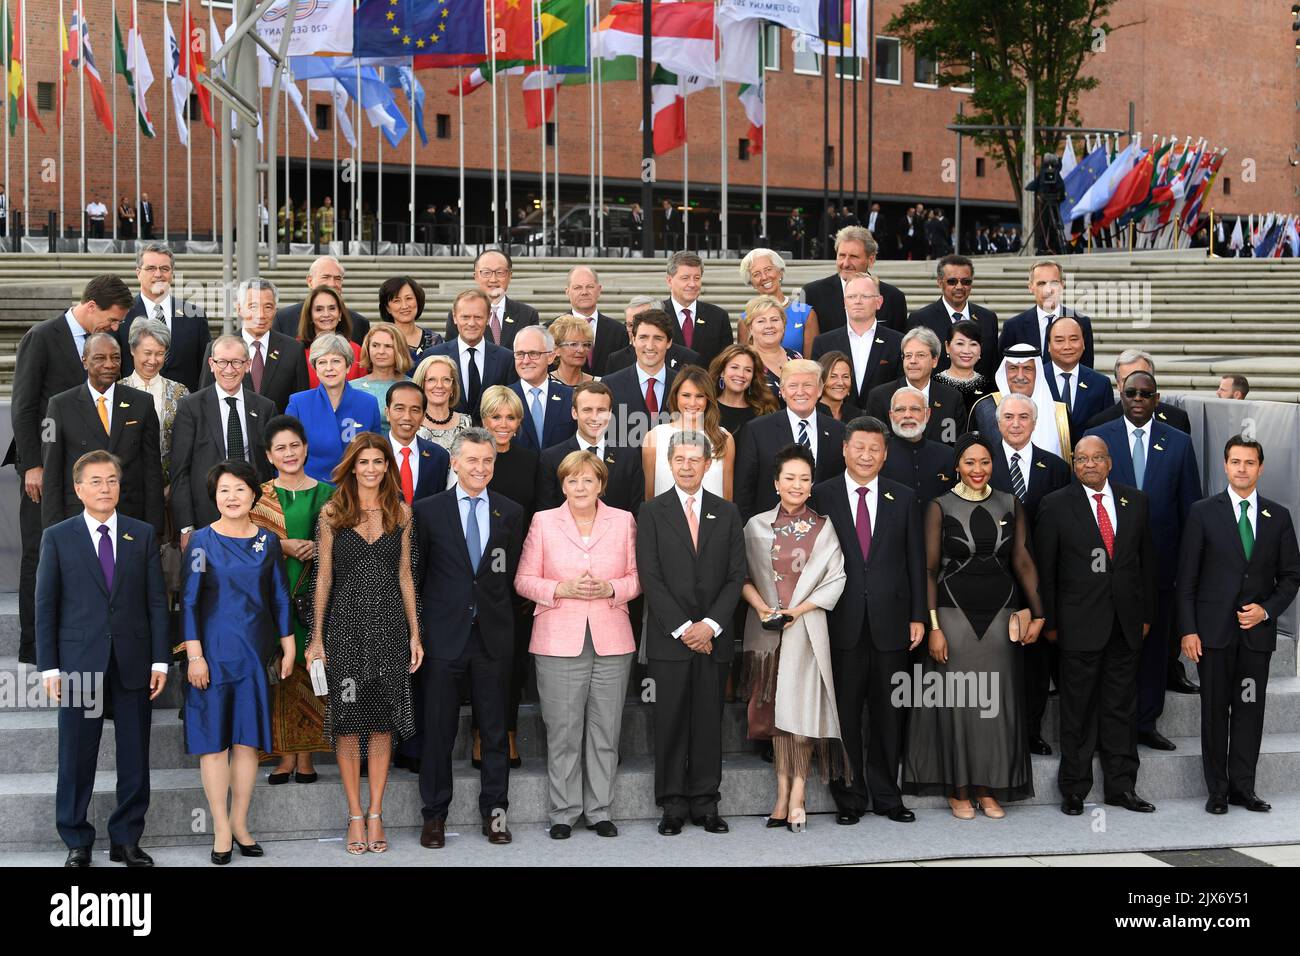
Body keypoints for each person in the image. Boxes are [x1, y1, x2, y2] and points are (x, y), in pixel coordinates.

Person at [36, 450, 170, 868]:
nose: (105, 488)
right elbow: (46, 605)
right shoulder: (58, 536)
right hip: (78, 662)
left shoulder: (142, 534)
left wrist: (161, 661)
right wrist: (50, 667)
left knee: (134, 755)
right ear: (78, 489)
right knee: (76, 755)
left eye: (111, 479)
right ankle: (77, 840)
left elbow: (156, 602)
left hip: (133, 660)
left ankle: (126, 839)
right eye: (95, 481)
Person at [903, 432, 1045, 818]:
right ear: (957, 467)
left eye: (984, 462)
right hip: (952, 616)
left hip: (1001, 617)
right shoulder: (939, 506)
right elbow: (930, 570)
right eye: (969, 462)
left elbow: (1024, 561)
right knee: (959, 704)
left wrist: (1039, 611)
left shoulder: (1010, 503)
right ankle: (959, 788)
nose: (978, 469)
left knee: (994, 706)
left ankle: (987, 787)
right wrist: (933, 625)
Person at [305, 435, 422, 855]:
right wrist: (316, 637)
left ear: (387, 466)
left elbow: (406, 576)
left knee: (383, 724)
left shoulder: (401, 513)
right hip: (346, 630)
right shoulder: (333, 512)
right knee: (350, 724)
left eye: (378, 462)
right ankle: (354, 814)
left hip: (390, 629)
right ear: (352, 467)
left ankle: (376, 812)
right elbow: (323, 578)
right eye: (364, 462)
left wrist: (415, 632)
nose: (371, 468)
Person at [515, 451, 641, 838]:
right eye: (572, 480)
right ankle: (564, 813)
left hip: (612, 640)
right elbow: (522, 579)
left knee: (606, 730)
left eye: (588, 480)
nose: (580, 487)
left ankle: (599, 810)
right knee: (564, 731)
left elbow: (638, 577)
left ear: (601, 484)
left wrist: (612, 588)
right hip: (557, 639)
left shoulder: (623, 521)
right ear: (562, 484)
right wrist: (559, 588)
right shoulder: (543, 521)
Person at [8, 276, 133, 665]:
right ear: (92, 306)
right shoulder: (42, 336)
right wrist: (32, 463)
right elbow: (25, 406)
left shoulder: (109, 346)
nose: (116, 329)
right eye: (113, 320)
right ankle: (34, 646)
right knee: (41, 551)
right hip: (48, 470)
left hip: (96, 473)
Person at [810, 416, 926, 824]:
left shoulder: (904, 496)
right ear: (844, 449)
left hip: (892, 622)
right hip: (840, 621)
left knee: (888, 713)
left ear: (885, 453)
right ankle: (850, 798)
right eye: (859, 447)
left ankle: (887, 795)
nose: (866, 455)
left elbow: (915, 560)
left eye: (875, 448)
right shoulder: (821, 495)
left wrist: (917, 615)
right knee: (844, 712)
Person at [1035, 436, 1158, 816]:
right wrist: (1052, 623)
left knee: (1120, 708)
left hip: (1125, 625)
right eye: (1082, 459)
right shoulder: (1055, 505)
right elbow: (1046, 572)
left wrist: (1146, 617)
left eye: (1097, 458)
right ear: (1074, 464)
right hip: (1077, 627)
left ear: (1109, 462)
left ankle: (1122, 788)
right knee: (1078, 710)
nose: (1089, 464)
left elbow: (1146, 565)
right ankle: (1074, 789)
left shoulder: (1134, 501)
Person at [415, 429, 525, 849]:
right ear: (454, 463)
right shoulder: (427, 511)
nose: (481, 469)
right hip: (443, 639)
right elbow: (419, 575)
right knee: (438, 731)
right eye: (472, 461)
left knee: (495, 733)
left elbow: (509, 575)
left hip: (493, 640)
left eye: (488, 462)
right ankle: (434, 817)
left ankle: (495, 814)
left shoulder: (510, 512)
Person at [181, 460, 295, 863]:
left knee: (247, 743)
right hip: (210, 657)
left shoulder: (267, 541)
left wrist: (289, 646)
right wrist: (194, 656)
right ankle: (220, 828)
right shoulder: (200, 542)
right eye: (224, 490)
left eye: (239, 489)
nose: (232, 497)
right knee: (214, 745)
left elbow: (280, 596)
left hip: (254, 656)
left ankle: (241, 822)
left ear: (254, 495)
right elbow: (190, 601)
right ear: (215, 496)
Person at [1179, 437, 1300, 814]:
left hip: (1255, 637)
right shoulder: (1203, 512)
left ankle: (1242, 789)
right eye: (1235, 462)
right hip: (1212, 636)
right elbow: (1187, 579)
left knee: (1249, 710)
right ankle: (1217, 790)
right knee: (1215, 712)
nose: (1242, 469)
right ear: (1225, 466)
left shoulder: (1277, 516)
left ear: (1260, 467)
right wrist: (1188, 630)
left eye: (1250, 462)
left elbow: (1291, 576)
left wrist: (1266, 611)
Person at [637, 430, 747, 835]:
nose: (686, 466)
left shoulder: (728, 512)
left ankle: (705, 802)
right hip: (671, 639)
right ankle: (672, 804)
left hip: (713, 639)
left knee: (707, 722)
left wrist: (710, 626)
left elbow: (737, 576)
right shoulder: (651, 512)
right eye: (679, 459)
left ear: (707, 464)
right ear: (670, 463)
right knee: (669, 722)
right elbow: (650, 575)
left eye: (694, 460)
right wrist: (685, 628)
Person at [1085, 368, 1202, 741]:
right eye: (1130, 392)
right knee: (1111, 648)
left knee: (1154, 651)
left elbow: (1191, 509)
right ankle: (1110, 725)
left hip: (1161, 567)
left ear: (1156, 398)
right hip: (1108, 567)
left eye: (1144, 394)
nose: (1137, 399)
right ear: (1120, 393)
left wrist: (1189, 568)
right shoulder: (1098, 437)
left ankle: (1146, 722)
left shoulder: (1179, 443)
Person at [740, 444, 847, 830]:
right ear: (776, 483)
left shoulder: (824, 527)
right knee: (776, 718)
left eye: (804, 478)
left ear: (811, 483)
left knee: (800, 716)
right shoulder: (755, 526)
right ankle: (781, 793)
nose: (797, 485)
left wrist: (796, 611)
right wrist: (763, 608)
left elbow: (836, 577)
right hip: (766, 633)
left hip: (806, 629)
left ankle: (797, 792)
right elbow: (743, 577)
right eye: (790, 478)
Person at [249, 415, 334, 784]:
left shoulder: (330, 494)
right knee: (281, 673)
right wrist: (279, 546)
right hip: (274, 598)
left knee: (310, 669)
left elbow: (345, 541)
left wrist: (321, 547)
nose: (289, 453)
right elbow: (246, 545)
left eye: (295, 446)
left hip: (317, 595)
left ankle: (306, 757)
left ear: (306, 448)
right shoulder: (259, 497)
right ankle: (283, 756)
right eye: (280, 448)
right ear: (269, 455)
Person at [987, 394, 1071, 755]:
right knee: (997, 659)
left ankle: (1031, 730)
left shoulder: (1054, 467)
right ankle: (998, 731)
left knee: (1035, 661)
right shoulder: (983, 465)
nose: (1016, 423)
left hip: (1041, 580)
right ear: (998, 422)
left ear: (1035, 423)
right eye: (1009, 417)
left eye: (1024, 417)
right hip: (995, 579)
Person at [40, 334, 165, 537]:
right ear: (84, 360)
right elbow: (52, 473)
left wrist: (155, 528)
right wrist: (52, 531)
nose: (109, 364)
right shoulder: (59, 405)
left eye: (115, 358)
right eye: (100, 358)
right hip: (78, 518)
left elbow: (152, 471)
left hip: (131, 518)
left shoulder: (142, 403)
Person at [170, 335, 277, 547]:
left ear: (247, 365)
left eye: (236, 362)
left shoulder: (265, 408)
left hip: (256, 516)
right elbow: (180, 472)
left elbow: (271, 468)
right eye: (222, 362)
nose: (229, 369)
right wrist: (186, 527)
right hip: (205, 518)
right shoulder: (190, 407)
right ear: (211, 364)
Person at [735, 360, 846, 521]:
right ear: (783, 391)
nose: (800, 392)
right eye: (793, 386)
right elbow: (743, 491)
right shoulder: (757, 431)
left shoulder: (838, 431)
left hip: (824, 530)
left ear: (820, 390)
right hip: (770, 531)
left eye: (808, 385)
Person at [201, 278, 310, 415]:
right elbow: (204, 401)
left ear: (275, 310)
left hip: (277, 433)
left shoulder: (293, 350)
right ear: (239, 309)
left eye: (268, 307)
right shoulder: (217, 349)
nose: (261, 315)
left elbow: (301, 404)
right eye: (253, 307)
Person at [285, 334, 384, 482]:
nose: (329, 368)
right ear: (315, 368)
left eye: (336, 361)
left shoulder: (368, 403)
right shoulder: (299, 403)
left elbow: (377, 452)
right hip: (311, 490)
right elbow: (286, 453)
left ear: (348, 366)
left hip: (356, 488)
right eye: (322, 362)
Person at [116, 242, 212, 393]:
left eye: (164, 269)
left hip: (184, 408)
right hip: (132, 406)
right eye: (151, 268)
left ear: (172, 273)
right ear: (138, 273)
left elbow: (206, 370)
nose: (158, 274)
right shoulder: (121, 315)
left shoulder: (195, 315)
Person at [538, 381, 644, 515]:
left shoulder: (629, 456)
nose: (595, 417)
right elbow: (547, 515)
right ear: (574, 412)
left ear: (610, 413)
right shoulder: (551, 458)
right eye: (587, 410)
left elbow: (636, 511)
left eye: (601, 410)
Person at [810, 273, 903, 408]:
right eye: (852, 296)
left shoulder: (898, 342)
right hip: (837, 423)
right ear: (844, 302)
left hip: (883, 421)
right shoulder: (823, 343)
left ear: (879, 302)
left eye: (865, 296)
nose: (857, 301)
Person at [422, 289, 515, 422]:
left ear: (488, 318)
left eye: (478, 317)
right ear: (454, 317)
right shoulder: (433, 356)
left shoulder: (506, 359)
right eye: (465, 317)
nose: (471, 323)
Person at [643, 365, 735, 501]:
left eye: (699, 396)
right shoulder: (655, 437)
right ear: (676, 396)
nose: (692, 402)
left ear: (708, 399)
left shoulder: (724, 438)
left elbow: (727, 499)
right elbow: (649, 497)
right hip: (666, 520)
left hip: (712, 521)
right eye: (686, 395)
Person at [968, 344, 1071, 461]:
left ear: (1038, 373)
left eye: (1027, 369)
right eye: (1013, 368)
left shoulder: (1059, 413)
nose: (1020, 376)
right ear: (1004, 372)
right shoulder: (984, 409)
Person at [906, 254, 1001, 378]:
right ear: (940, 283)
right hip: (937, 394)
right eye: (952, 281)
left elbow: (993, 365)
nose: (959, 287)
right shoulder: (920, 319)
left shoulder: (988, 318)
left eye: (966, 281)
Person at [865, 327, 963, 446]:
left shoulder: (951, 399)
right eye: (908, 355)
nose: (912, 361)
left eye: (920, 355)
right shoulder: (880, 397)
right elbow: (875, 443)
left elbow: (954, 445)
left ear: (934, 360)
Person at [801, 225, 908, 334]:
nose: (846, 263)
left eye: (853, 256)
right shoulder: (812, 294)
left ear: (870, 260)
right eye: (842, 256)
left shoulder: (894, 298)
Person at [120, 317, 189, 483]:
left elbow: (187, 446)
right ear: (132, 349)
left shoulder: (180, 392)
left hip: (170, 487)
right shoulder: (117, 392)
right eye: (147, 353)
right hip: (126, 488)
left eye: (159, 354)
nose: (153, 360)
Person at [602, 308, 687, 439]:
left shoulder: (683, 383)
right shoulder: (610, 384)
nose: (650, 346)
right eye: (643, 338)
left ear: (669, 342)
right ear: (634, 340)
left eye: (658, 338)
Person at [998, 259, 1095, 370]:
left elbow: (1087, 370)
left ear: (1062, 286)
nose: (1048, 290)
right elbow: (1001, 368)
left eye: (1054, 283)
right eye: (1041, 284)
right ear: (1030, 287)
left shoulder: (1082, 322)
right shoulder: (1013, 327)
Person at [441, 248, 541, 347]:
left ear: (510, 275)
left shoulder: (528, 315)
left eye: (500, 272)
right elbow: (452, 353)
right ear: (475, 276)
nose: (493, 279)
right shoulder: (460, 314)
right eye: (486, 273)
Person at [1083, 348, 1191, 434]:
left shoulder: (1177, 420)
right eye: (1127, 380)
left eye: (1141, 377)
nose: (1135, 385)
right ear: (1118, 385)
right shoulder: (1098, 425)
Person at [737, 248, 820, 356]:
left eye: (768, 269)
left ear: (780, 272)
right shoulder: (745, 319)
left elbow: (812, 364)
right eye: (756, 274)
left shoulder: (806, 313)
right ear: (751, 283)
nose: (764, 277)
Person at [880, 386, 955, 504]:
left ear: (927, 414)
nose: (907, 415)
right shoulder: (878, 454)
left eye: (915, 409)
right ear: (891, 415)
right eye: (900, 410)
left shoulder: (948, 456)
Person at [507, 325, 576, 452]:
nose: (526, 361)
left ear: (550, 357)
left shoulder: (570, 397)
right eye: (520, 354)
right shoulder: (504, 398)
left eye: (533, 354)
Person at [661, 250, 734, 368]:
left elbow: (725, 362)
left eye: (697, 278)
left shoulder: (718, 317)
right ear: (669, 281)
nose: (692, 284)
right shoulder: (656, 314)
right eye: (685, 278)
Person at [1044, 317, 1110, 446]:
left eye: (1074, 339)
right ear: (1049, 346)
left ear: (1084, 343)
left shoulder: (1101, 384)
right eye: (1059, 340)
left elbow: (1108, 429)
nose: (1067, 346)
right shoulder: (1036, 379)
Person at [273, 256, 369, 344]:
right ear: (310, 281)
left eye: (337, 278)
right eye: (325, 277)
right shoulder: (283, 319)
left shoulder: (359, 323)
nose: (332, 284)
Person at [385, 381, 452, 506]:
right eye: (399, 409)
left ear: (422, 417)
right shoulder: (371, 453)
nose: (407, 417)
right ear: (387, 413)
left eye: (415, 410)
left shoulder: (439, 456)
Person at [605, 295, 701, 375]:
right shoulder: (616, 360)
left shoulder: (689, 359)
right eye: (630, 325)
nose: (635, 329)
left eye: (643, 321)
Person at [561, 265, 626, 376]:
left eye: (590, 286)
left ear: (599, 290)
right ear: (567, 292)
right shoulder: (552, 330)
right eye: (577, 287)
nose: (584, 292)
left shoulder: (618, 331)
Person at [352, 323, 414, 436]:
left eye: (388, 346)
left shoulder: (413, 386)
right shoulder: (351, 388)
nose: (381, 351)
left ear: (399, 350)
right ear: (367, 348)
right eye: (375, 345)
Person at [298, 285, 365, 387]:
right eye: (319, 309)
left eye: (332, 308)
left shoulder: (356, 351)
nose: (326, 314)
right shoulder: (295, 349)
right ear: (310, 315)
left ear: (340, 314)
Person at [709, 343, 779, 438]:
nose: (741, 374)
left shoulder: (764, 412)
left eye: (748, 370)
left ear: (753, 376)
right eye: (734, 367)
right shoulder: (707, 408)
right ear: (722, 371)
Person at [743, 294, 801, 403]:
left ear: (783, 325)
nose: (769, 326)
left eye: (774, 320)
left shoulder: (796, 357)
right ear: (750, 328)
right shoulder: (744, 360)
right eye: (761, 321)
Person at [934, 319, 994, 422]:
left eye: (973, 344)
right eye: (960, 344)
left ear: (981, 348)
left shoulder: (990, 388)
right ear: (947, 347)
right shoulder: (933, 384)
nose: (966, 351)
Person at [412, 354, 473, 450]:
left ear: (452, 387)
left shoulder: (466, 422)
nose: (439, 385)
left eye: (446, 380)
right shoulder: (411, 424)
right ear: (421, 385)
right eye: (432, 380)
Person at [377, 275, 442, 363]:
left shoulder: (434, 340)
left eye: (409, 298)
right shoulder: (380, 340)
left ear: (418, 301)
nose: (404, 306)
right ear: (387, 308)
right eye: (397, 300)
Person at [548, 314, 598, 387]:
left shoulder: (598, 383)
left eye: (585, 344)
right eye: (573, 344)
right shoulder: (544, 384)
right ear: (556, 349)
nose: (581, 350)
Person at [816, 352, 865, 422]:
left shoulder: (860, 417)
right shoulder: (810, 414)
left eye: (845, 376)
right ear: (821, 380)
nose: (840, 383)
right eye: (833, 376)